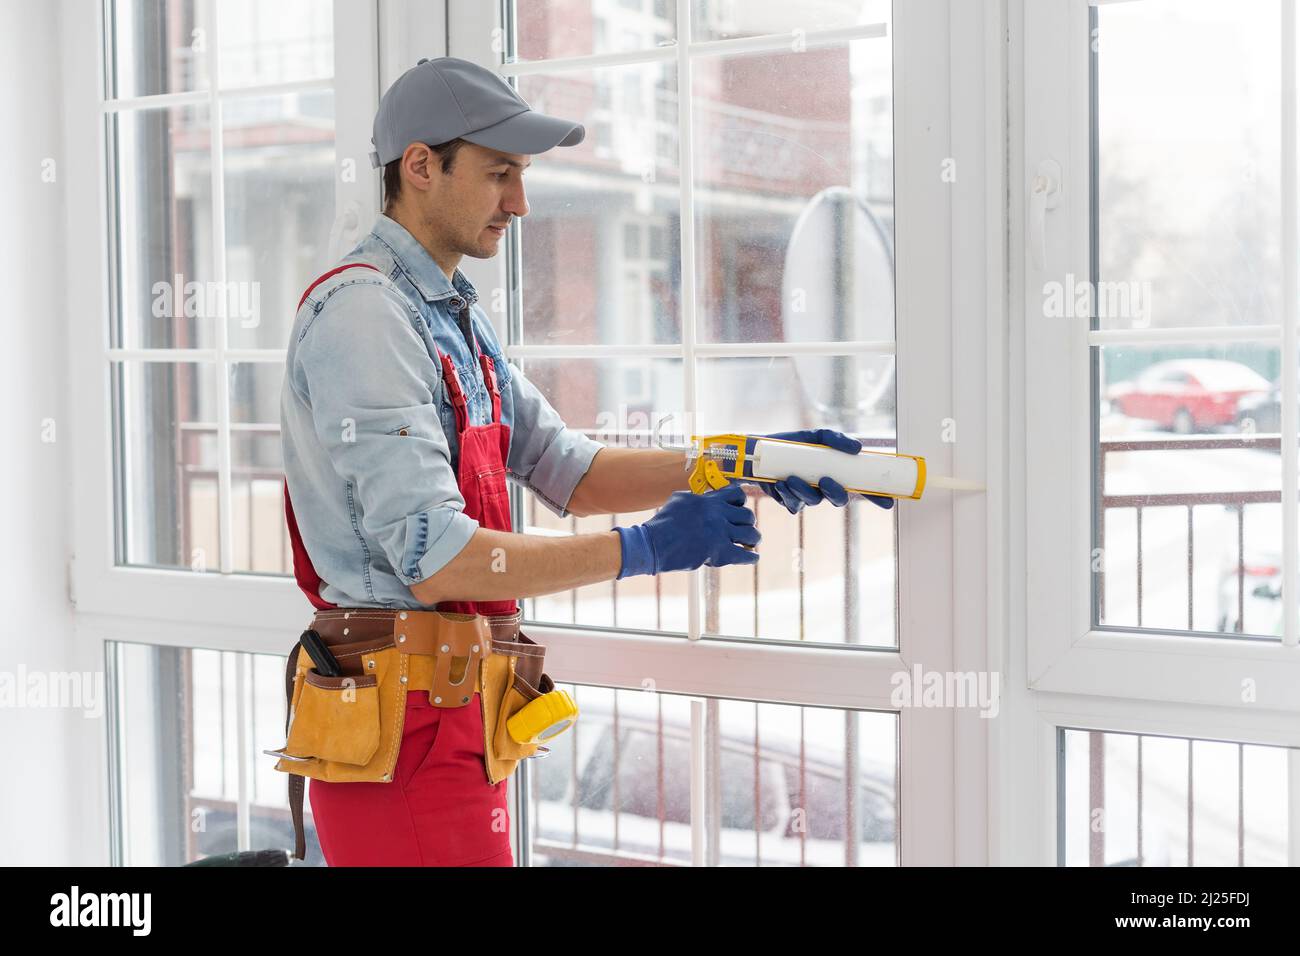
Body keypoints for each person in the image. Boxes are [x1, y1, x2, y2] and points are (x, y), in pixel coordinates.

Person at [279, 56, 892, 867]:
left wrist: (739, 461)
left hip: (451, 721)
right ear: (421, 166)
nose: (519, 202)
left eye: (522, 175)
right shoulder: (366, 315)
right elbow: (437, 560)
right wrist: (640, 552)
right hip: (399, 741)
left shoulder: (447, 315)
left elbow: (569, 468)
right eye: (500, 174)